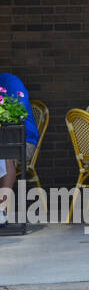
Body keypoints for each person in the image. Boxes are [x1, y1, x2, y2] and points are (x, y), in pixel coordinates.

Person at [0, 73, 38, 221]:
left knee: (5, 154)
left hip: (23, 140)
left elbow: (16, 112)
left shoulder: (10, 81)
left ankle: (1, 209)